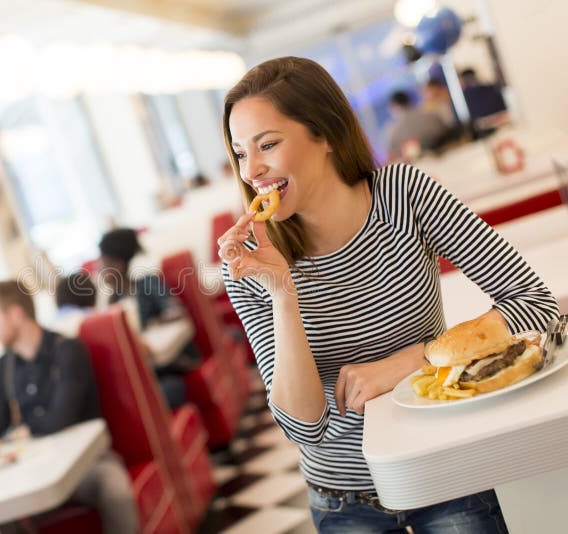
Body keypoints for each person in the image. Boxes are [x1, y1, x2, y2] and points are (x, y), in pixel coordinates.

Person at [217, 56, 558, 533]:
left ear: (326, 134)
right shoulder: (249, 263)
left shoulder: (404, 194)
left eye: (268, 144)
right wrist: (282, 293)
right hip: (343, 502)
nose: (251, 170)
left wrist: (411, 361)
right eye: (239, 153)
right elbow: (305, 428)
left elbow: (534, 305)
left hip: (443, 467)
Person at [0, 281, 138, 534]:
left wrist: (25, 428)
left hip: (84, 466)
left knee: (113, 486)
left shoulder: (67, 350)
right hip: (33, 474)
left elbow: (61, 418)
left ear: (16, 314)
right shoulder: (3, 368)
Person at [53, 272, 188, 409]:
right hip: (123, 403)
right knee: (175, 386)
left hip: (83, 408)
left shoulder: (52, 330)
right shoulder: (97, 321)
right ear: (91, 297)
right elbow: (144, 352)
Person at [99, 228, 201, 373]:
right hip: (148, 365)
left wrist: (152, 325)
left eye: (103, 263)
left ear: (118, 265)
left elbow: (176, 311)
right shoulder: (114, 301)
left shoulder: (148, 283)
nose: (99, 269)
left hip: (172, 359)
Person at [386, 90, 449, 160]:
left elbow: (395, 156)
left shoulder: (393, 133)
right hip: (447, 156)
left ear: (393, 106)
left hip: (421, 163)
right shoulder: (432, 116)